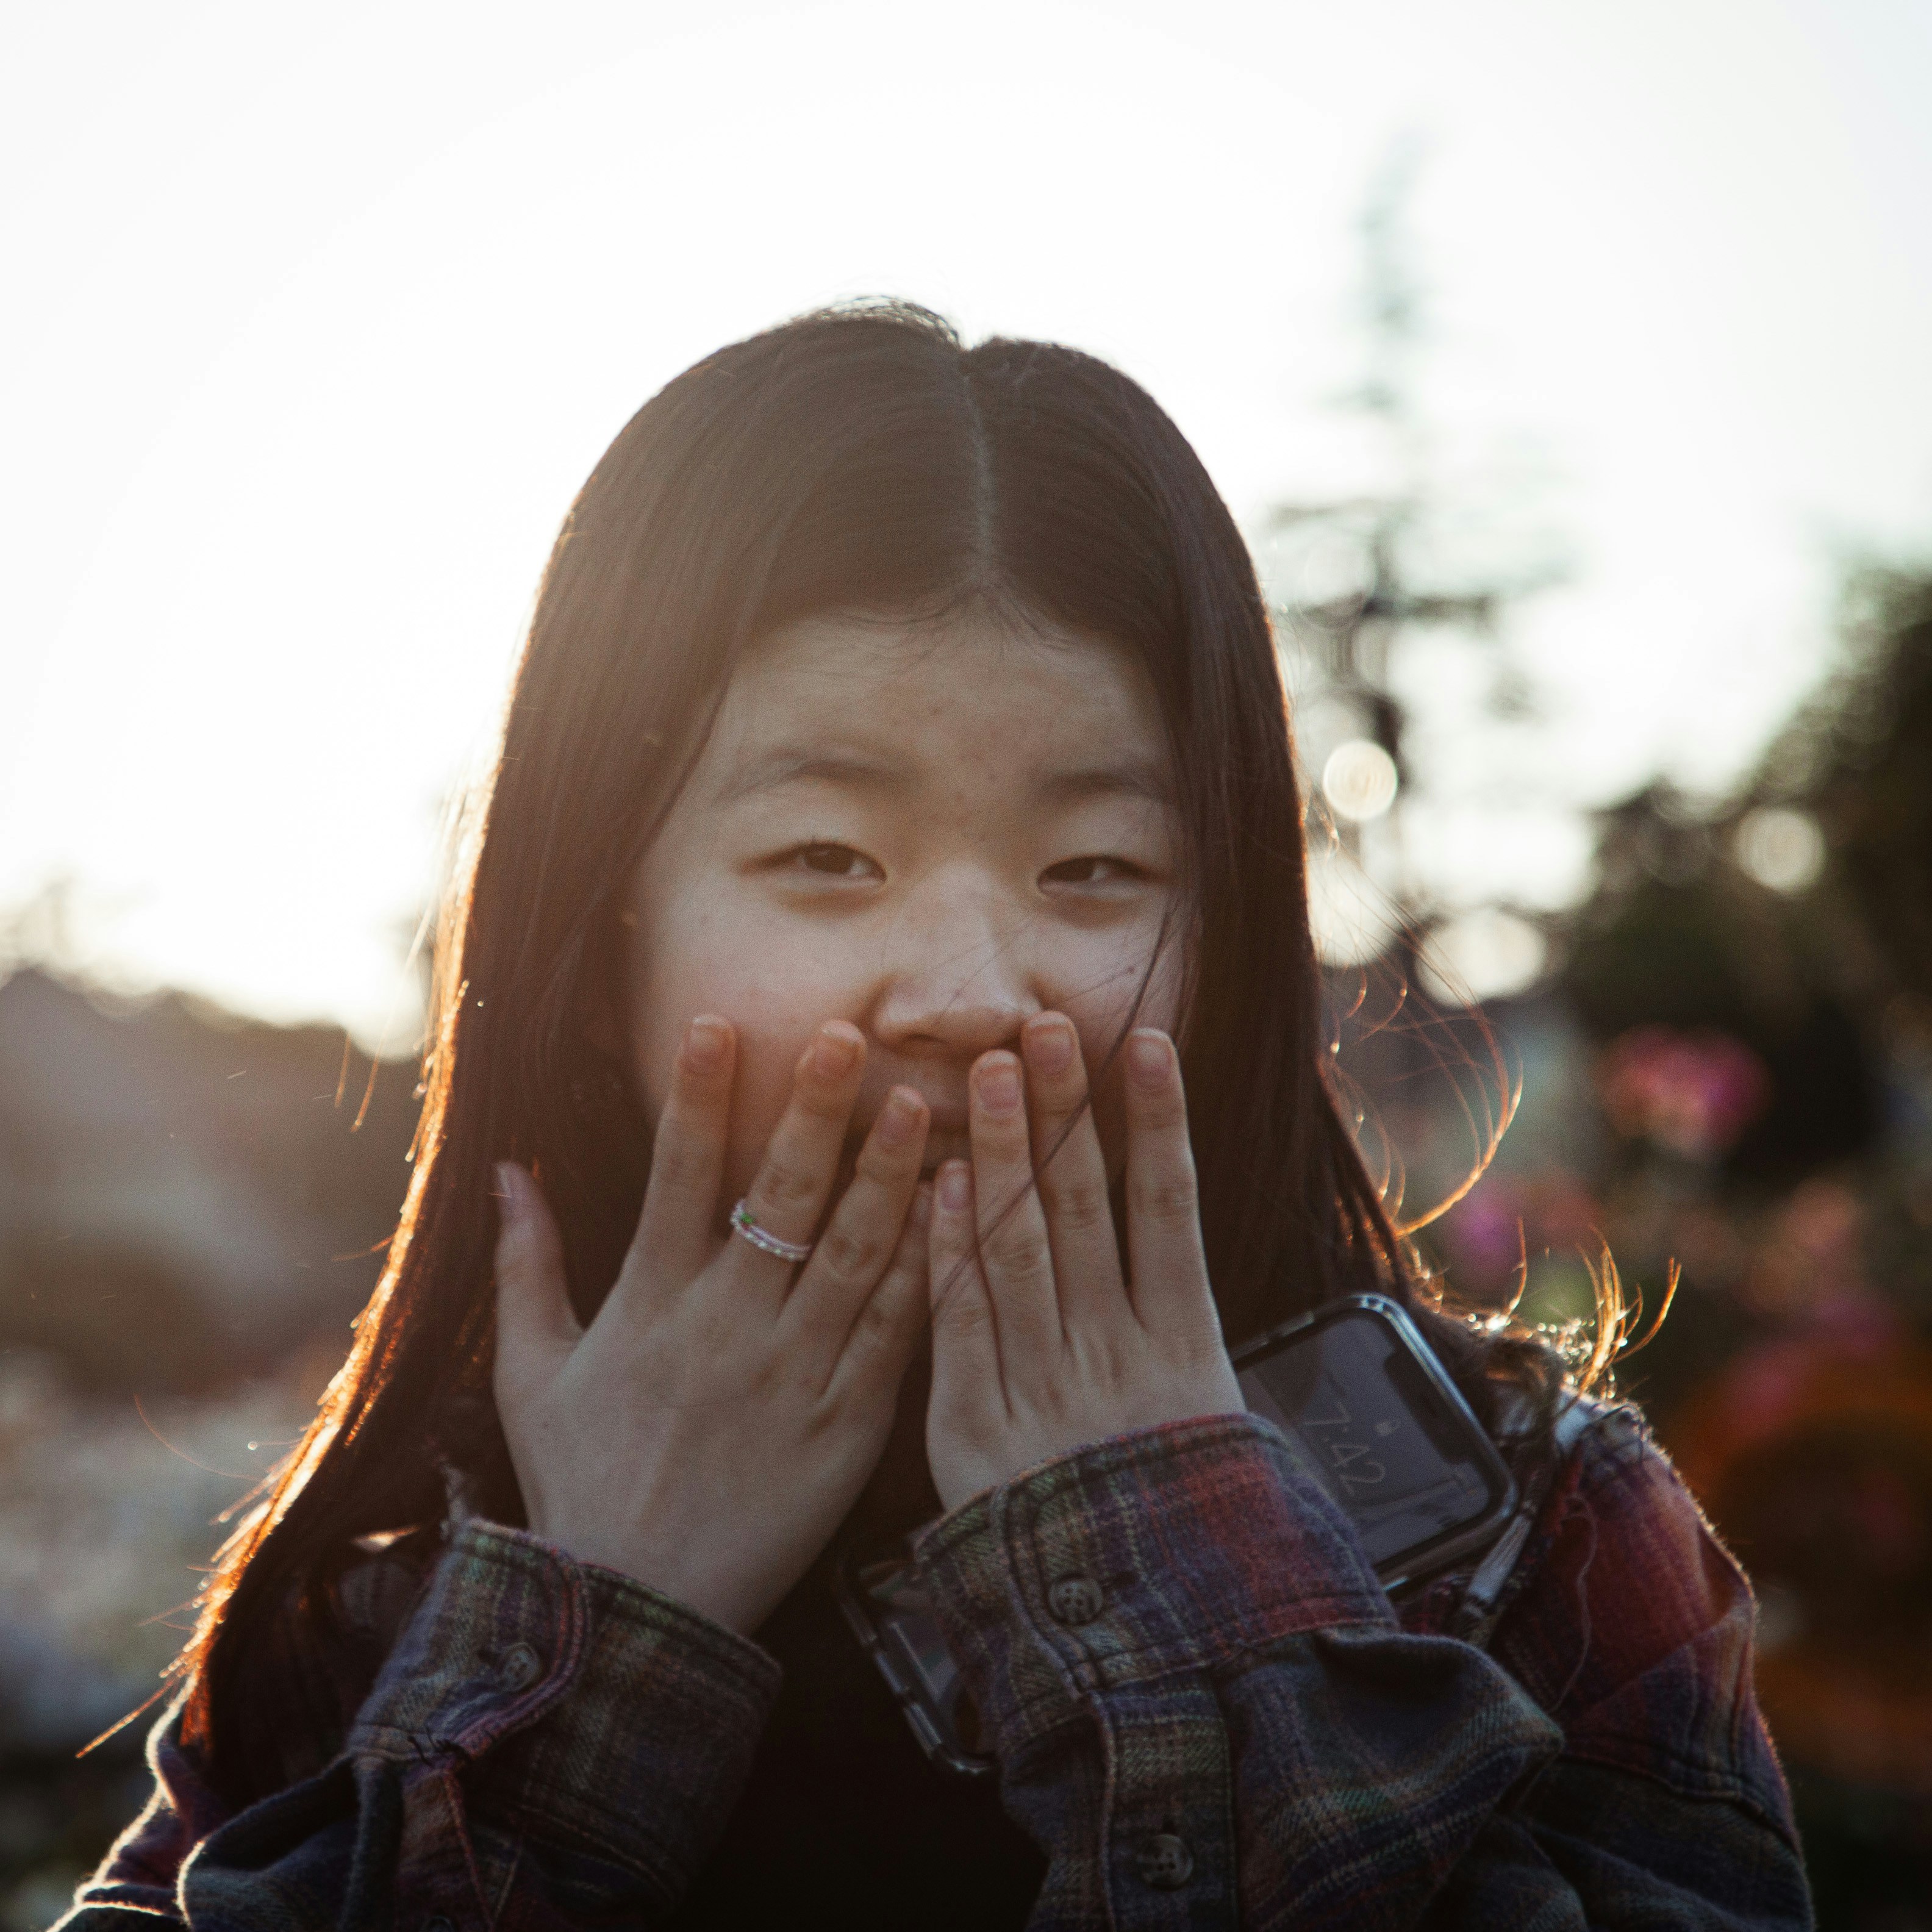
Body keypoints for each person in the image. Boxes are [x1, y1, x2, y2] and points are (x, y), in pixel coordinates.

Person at [62, 303, 1811, 1930]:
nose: (974, 985)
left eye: (1095, 868)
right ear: (600, 942)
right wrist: (596, 1642)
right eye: (827, 857)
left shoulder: (1528, 1530)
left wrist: (1171, 1567)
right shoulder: (385, 1597)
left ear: (1229, 948)